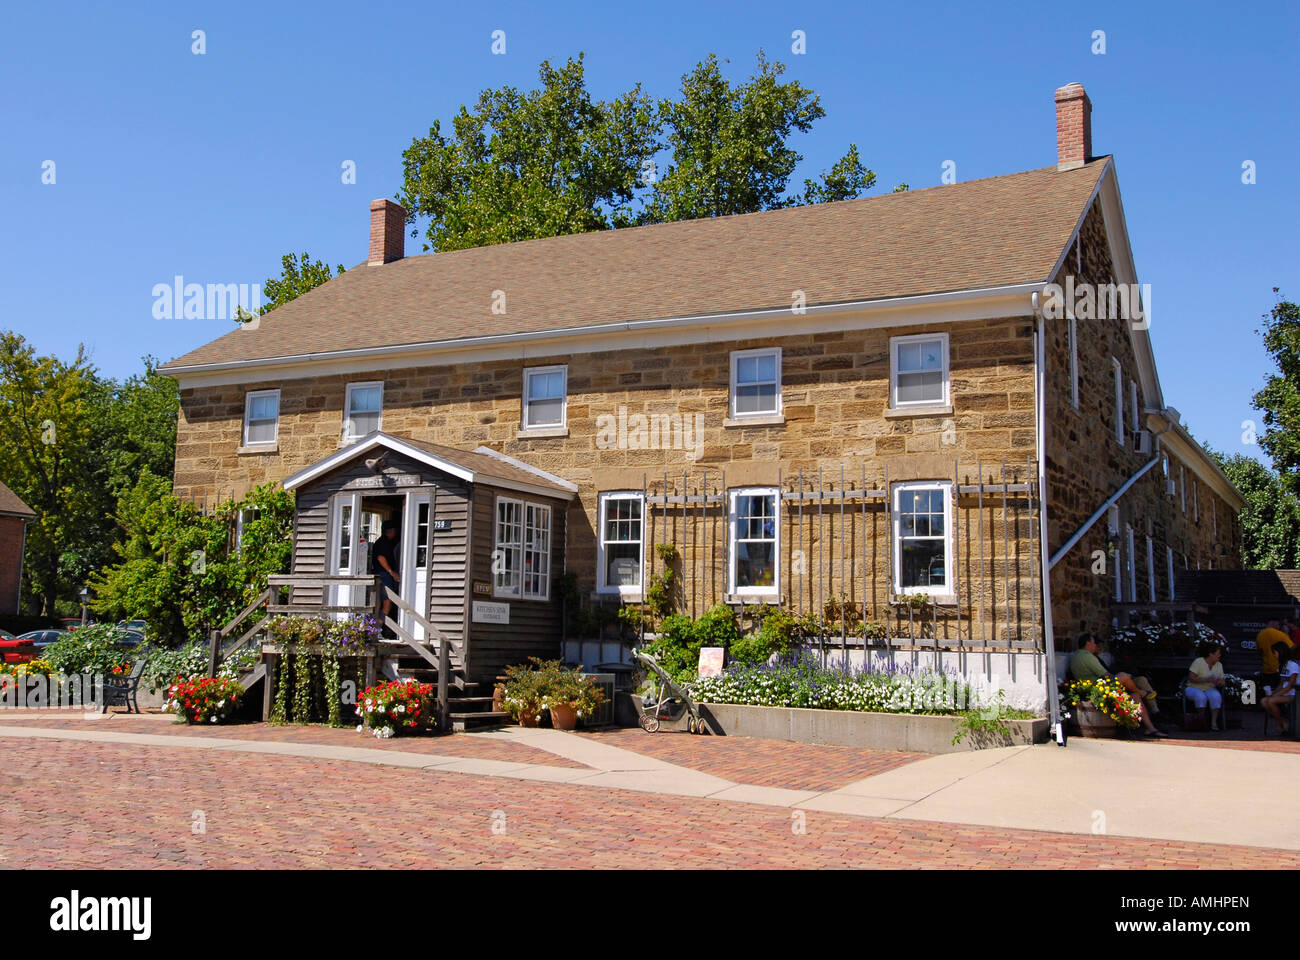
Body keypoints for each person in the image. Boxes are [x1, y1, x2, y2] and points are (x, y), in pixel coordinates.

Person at [1069, 633, 1167, 737]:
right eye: (1094, 643)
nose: (1095, 646)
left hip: (1093, 686)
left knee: (1135, 696)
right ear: (1088, 643)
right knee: (1124, 676)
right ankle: (1142, 692)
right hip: (1096, 688)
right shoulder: (1087, 656)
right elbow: (1106, 675)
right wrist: (1123, 678)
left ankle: (1150, 728)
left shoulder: (1077, 655)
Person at [1185, 640, 1226, 732]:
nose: (1219, 655)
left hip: (1210, 688)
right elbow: (1191, 678)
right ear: (1211, 654)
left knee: (1216, 696)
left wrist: (1220, 683)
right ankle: (1201, 721)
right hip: (1194, 687)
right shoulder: (1198, 662)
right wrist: (1206, 679)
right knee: (1201, 697)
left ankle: (1213, 723)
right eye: (1218, 653)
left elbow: (1222, 680)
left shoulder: (1219, 665)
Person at [1261, 646, 1298, 735]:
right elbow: (1281, 684)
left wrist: (1276, 695)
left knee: (1271, 701)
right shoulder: (1281, 666)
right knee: (1264, 701)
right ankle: (1282, 723)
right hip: (1284, 693)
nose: (1274, 655)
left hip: (1294, 693)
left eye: (1275, 653)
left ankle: (1282, 726)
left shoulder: (1293, 665)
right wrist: (1273, 693)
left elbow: (1290, 686)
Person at [373, 520, 400, 637]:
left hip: (384, 575)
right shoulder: (382, 543)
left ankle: (377, 629)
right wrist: (391, 572)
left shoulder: (385, 542)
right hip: (384, 575)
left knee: (384, 603)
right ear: (391, 531)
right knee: (387, 602)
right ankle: (376, 630)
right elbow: (380, 558)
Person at [1255, 619, 1293, 694]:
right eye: (1278, 624)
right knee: (1279, 691)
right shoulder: (1280, 634)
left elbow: (1259, 651)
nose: (1279, 627)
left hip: (1266, 669)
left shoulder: (1260, 635)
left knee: (1267, 691)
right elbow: (1291, 647)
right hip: (1279, 669)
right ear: (1273, 623)